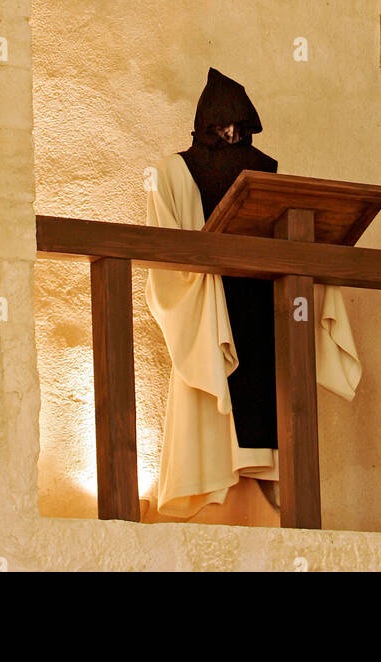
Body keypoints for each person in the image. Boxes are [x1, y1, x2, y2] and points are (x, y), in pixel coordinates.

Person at [144, 67, 361, 519]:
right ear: (204, 125)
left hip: (265, 302)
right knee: (220, 394)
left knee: (269, 386)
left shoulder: (267, 172)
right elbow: (165, 254)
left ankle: (272, 483)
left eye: (239, 126)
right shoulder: (174, 171)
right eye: (222, 125)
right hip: (213, 301)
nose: (230, 132)